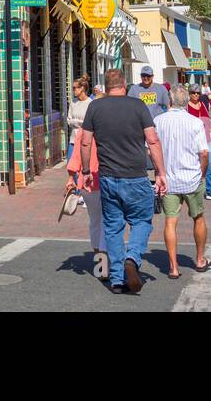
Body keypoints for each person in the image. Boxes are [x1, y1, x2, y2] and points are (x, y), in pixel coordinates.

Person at [78, 68, 167, 295]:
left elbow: (86, 142)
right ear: (124, 85)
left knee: (113, 227)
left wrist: (87, 170)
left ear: (106, 87)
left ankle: (117, 279)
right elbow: (153, 140)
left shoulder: (95, 107)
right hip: (135, 176)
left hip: (108, 177)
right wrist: (161, 172)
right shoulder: (138, 106)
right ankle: (132, 258)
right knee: (141, 221)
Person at [154, 86, 211, 278]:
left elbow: (150, 150)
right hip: (192, 177)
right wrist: (202, 174)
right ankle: (200, 259)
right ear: (187, 102)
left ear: (170, 101)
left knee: (170, 221)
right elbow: (204, 152)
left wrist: (158, 171)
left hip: (168, 178)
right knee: (198, 217)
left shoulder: (158, 121)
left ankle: (173, 267)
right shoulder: (195, 122)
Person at [65, 86, 107, 279]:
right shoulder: (109, 129)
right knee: (109, 221)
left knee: (95, 221)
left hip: (87, 182)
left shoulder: (83, 131)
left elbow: (75, 157)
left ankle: (100, 262)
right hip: (106, 180)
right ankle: (105, 264)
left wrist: (70, 178)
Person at [186, 83, 211, 201]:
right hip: (191, 141)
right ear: (189, 94)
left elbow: (208, 121)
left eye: (198, 93)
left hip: (206, 139)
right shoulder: (186, 107)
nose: (196, 95)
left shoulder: (203, 105)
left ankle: (210, 190)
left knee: (209, 164)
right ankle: (191, 189)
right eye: (193, 93)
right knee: (192, 164)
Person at [66, 75, 93, 157]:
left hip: (86, 140)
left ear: (82, 88)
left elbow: (90, 123)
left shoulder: (90, 103)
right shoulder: (73, 102)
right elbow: (69, 120)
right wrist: (79, 122)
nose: (73, 90)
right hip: (73, 139)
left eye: (75, 87)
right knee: (71, 165)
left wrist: (75, 122)